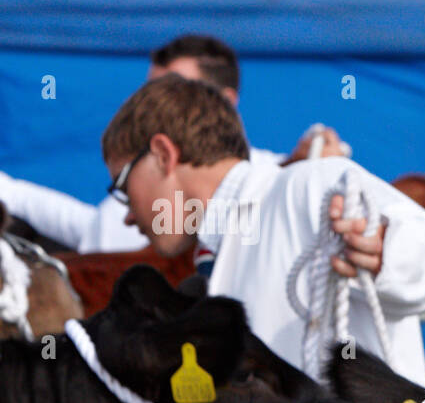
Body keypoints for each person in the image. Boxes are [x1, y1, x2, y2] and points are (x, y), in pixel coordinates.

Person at [102, 74, 425, 388]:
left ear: (164, 154)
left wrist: (389, 252)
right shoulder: (219, 256)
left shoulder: (309, 183)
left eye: (121, 186)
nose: (128, 217)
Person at [0, 34, 344, 254]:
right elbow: (91, 235)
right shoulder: (143, 185)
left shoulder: (287, 178)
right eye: (150, 92)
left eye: (175, 90)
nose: (155, 104)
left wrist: (311, 171)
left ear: (222, 100)